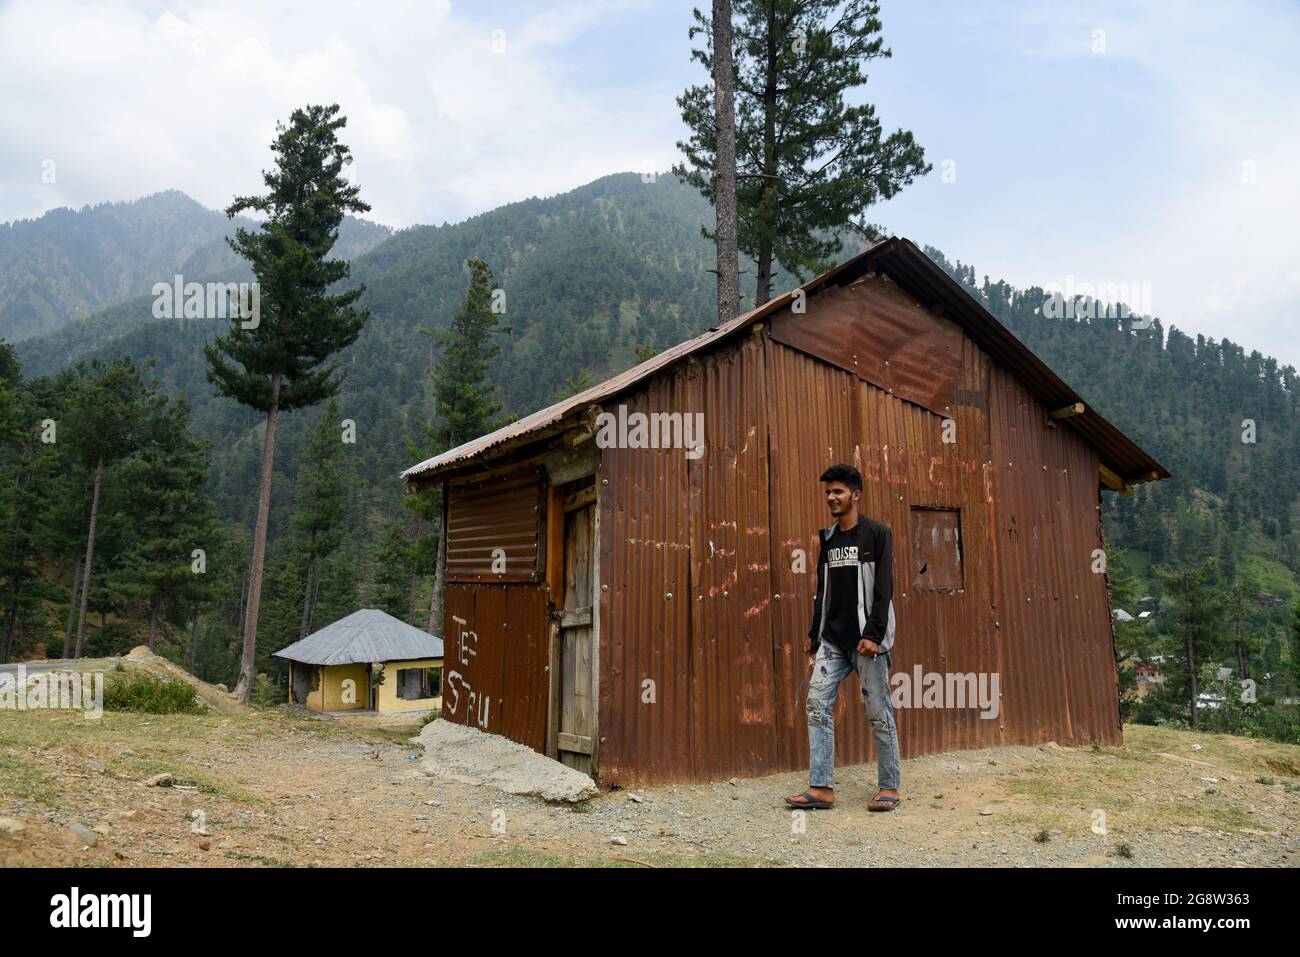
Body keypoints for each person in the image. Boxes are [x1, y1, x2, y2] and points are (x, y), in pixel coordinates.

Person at [785, 463, 901, 812]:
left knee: (878, 712)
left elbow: (884, 588)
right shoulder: (830, 538)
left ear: (856, 495)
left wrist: (874, 634)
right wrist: (814, 635)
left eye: (838, 491)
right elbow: (823, 591)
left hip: (867, 642)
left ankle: (890, 787)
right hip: (834, 640)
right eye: (828, 492)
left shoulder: (876, 534)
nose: (831, 497)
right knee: (816, 704)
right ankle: (821, 788)